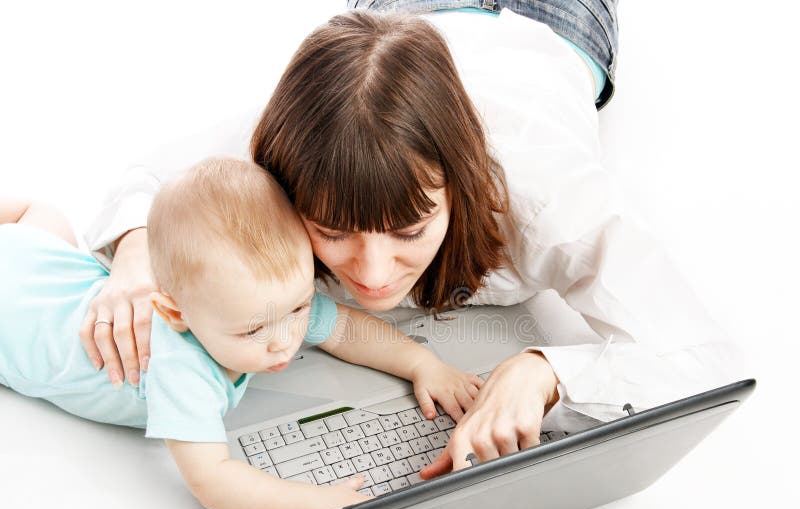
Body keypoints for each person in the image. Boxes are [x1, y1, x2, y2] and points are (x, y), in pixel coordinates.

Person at [81, 2, 743, 482]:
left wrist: (545, 370)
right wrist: (137, 258)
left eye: (409, 231)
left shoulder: (546, 192)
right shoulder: (301, 149)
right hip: (398, 19)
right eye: (333, 231)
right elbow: (146, 181)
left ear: (456, 188)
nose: (371, 276)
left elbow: (701, 354)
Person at [0, 157, 484, 509]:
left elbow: (345, 330)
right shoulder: (179, 365)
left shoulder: (264, 305)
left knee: (37, 217)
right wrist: (315, 506)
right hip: (11, 311)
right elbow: (214, 480)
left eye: (297, 310)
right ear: (175, 313)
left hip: (39, 262)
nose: (284, 345)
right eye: (253, 333)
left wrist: (422, 363)